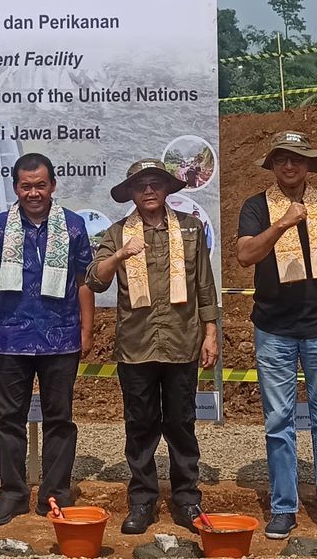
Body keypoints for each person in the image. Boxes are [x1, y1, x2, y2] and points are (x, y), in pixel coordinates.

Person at [236, 130, 317, 539]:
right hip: (273, 328)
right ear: (272, 165)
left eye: (297, 159)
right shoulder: (257, 207)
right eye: (281, 160)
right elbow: (245, 255)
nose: (289, 166)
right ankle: (284, 507)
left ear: (309, 165)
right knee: (278, 421)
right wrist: (284, 223)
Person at [86, 159, 219, 535]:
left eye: (155, 184)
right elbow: (95, 280)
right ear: (130, 192)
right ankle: (142, 501)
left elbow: (204, 286)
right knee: (140, 427)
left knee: (181, 424)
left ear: (167, 190)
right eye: (140, 185)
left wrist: (210, 332)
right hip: (137, 347)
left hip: (181, 342)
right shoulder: (116, 233)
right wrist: (119, 254)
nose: (148, 191)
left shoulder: (191, 230)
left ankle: (187, 501)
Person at [0, 153, 94, 526]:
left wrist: (87, 330)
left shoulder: (73, 226)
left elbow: (84, 280)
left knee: (60, 420)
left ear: (52, 185)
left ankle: (55, 493)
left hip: (61, 338)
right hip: (11, 339)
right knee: (8, 421)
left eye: (40, 185)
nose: (33, 192)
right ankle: (13, 493)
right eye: (25, 186)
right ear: (16, 187)